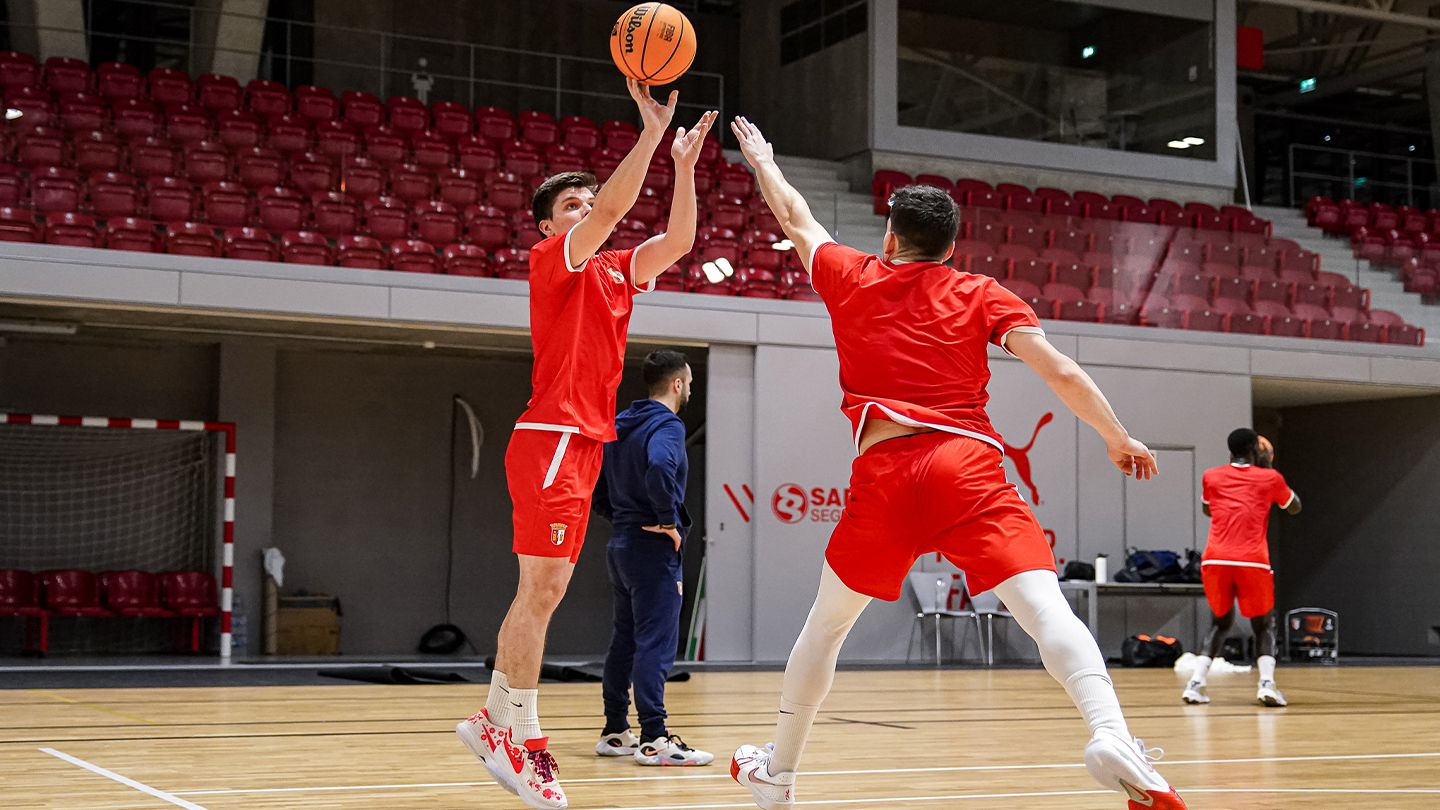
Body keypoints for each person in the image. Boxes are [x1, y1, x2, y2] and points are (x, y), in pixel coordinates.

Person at [725, 116, 1187, 810]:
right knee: (1042, 608)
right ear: (951, 247)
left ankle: (778, 772)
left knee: (825, 628)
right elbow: (1059, 370)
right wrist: (1118, 436)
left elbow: (795, 215)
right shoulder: (981, 292)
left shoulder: (850, 274)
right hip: (967, 465)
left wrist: (763, 158)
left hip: (884, 472)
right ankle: (1110, 733)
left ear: (890, 237)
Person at [454, 83, 716, 810]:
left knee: (541, 594)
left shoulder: (614, 273)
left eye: (584, 199)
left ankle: (494, 724)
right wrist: (653, 132)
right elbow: (611, 212)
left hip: (582, 442)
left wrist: (685, 167)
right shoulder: (555, 263)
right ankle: (523, 740)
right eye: (569, 205)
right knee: (541, 594)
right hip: (552, 438)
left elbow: (681, 242)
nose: (585, 208)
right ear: (546, 227)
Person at [591, 349, 713, 767]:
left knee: (624, 638)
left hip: (622, 543)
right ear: (677, 383)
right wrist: (666, 520)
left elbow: (595, 483)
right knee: (655, 643)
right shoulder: (667, 425)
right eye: (690, 382)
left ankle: (615, 731)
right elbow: (661, 466)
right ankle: (654, 739)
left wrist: (619, 517)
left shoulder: (619, 427)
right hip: (651, 547)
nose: (690, 388)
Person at [1183, 429, 1300, 708]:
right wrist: (1268, 469)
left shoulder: (1212, 475)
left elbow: (1208, 510)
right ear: (1254, 449)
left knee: (1219, 623)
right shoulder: (1270, 477)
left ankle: (1196, 684)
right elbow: (1294, 506)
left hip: (1215, 559)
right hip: (1251, 559)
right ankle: (1267, 685)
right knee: (1263, 624)